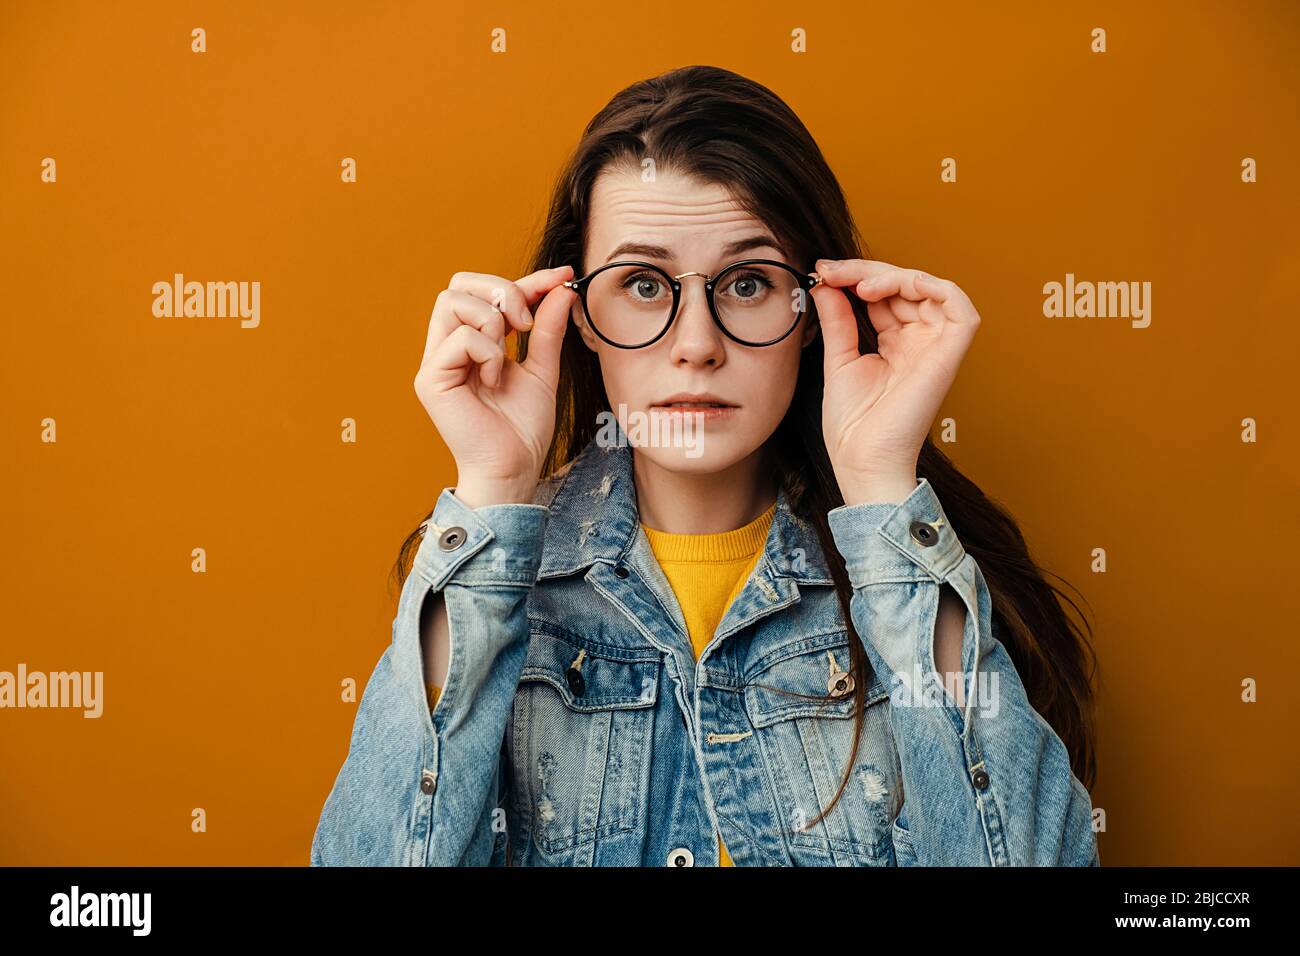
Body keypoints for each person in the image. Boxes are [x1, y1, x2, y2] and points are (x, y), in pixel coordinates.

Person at [310, 64, 1100, 867]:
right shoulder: (500, 584)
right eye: (645, 284)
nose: (696, 344)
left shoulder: (904, 581)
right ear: (576, 312)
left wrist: (883, 487)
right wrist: (490, 495)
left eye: (749, 283)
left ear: (812, 312)